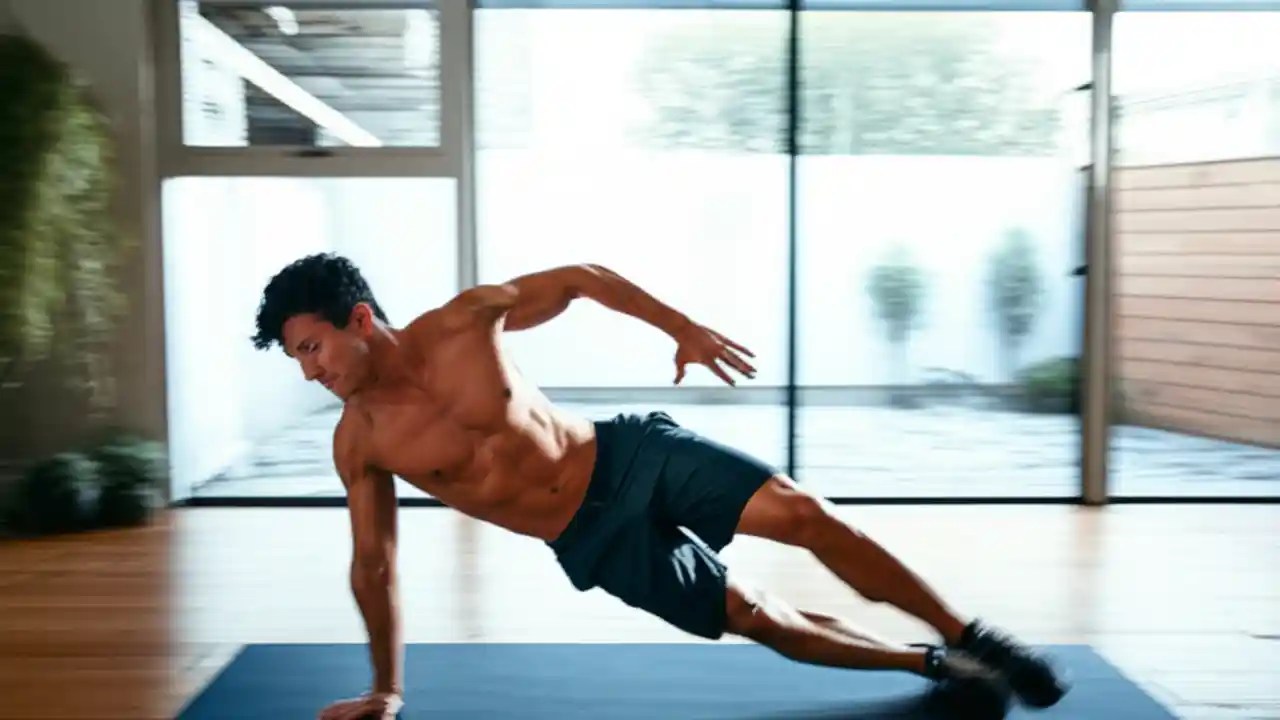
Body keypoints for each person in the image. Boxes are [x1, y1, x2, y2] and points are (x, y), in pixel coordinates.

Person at [251, 253, 1069, 720]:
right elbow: (375, 568)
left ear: (359, 319)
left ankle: (976, 635)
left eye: (312, 346)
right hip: (591, 537)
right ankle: (930, 662)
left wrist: (680, 327)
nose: (310, 369)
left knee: (807, 516)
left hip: (628, 456)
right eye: (297, 359)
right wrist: (388, 689)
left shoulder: (466, 322)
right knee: (756, 618)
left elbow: (579, 277)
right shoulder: (360, 442)